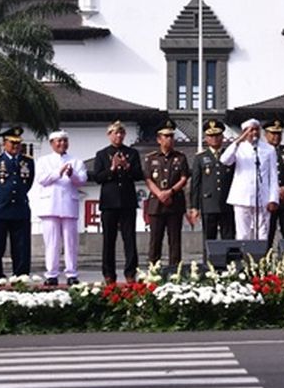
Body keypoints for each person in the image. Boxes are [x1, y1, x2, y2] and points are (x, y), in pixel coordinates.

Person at [0, 126, 35, 284]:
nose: (15, 146)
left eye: (18, 143)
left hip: (19, 208)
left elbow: (28, 183)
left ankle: (21, 275)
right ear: (4, 144)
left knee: (22, 245)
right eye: (12, 143)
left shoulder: (27, 161)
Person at [33, 130, 88, 286]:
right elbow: (42, 179)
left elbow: (82, 180)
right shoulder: (43, 161)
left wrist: (71, 174)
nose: (62, 144)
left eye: (65, 141)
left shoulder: (76, 161)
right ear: (52, 144)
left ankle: (71, 273)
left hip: (69, 204)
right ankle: (52, 274)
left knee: (71, 242)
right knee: (52, 242)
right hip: (49, 205)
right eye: (59, 141)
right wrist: (59, 172)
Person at [92, 121, 143, 283]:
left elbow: (139, 175)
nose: (118, 136)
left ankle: (130, 272)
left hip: (127, 201)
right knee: (109, 239)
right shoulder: (101, 154)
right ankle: (108, 273)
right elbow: (97, 177)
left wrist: (127, 166)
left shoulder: (132, 153)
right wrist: (112, 168)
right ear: (109, 135)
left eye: (121, 133)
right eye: (115, 133)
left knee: (129, 239)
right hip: (109, 202)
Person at [222, 118, 279, 242]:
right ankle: (244, 260)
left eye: (256, 130)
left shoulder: (268, 149)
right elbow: (225, 160)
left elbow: (273, 176)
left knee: (263, 233)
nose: (254, 133)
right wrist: (238, 141)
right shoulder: (238, 148)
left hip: (262, 198)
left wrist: (273, 198)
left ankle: (261, 260)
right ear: (244, 132)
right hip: (242, 197)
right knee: (243, 234)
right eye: (250, 130)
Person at [143, 119, 189, 267]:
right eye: (166, 136)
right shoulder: (151, 158)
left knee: (175, 240)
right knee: (155, 239)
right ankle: (154, 270)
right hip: (156, 204)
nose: (169, 139)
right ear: (159, 139)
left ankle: (175, 270)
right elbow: (148, 179)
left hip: (174, 202)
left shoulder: (180, 157)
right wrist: (159, 194)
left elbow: (184, 177)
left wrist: (170, 192)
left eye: (171, 136)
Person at [188, 119, 236, 242]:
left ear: (222, 137)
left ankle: (229, 261)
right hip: (208, 204)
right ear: (206, 138)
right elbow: (195, 184)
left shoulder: (230, 155)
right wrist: (194, 207)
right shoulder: (200, 158)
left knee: (229, 238)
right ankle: (208, 261)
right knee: (209, 239)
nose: (214, 138)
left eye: (217, 135)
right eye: (211, 136)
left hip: (228, 203)